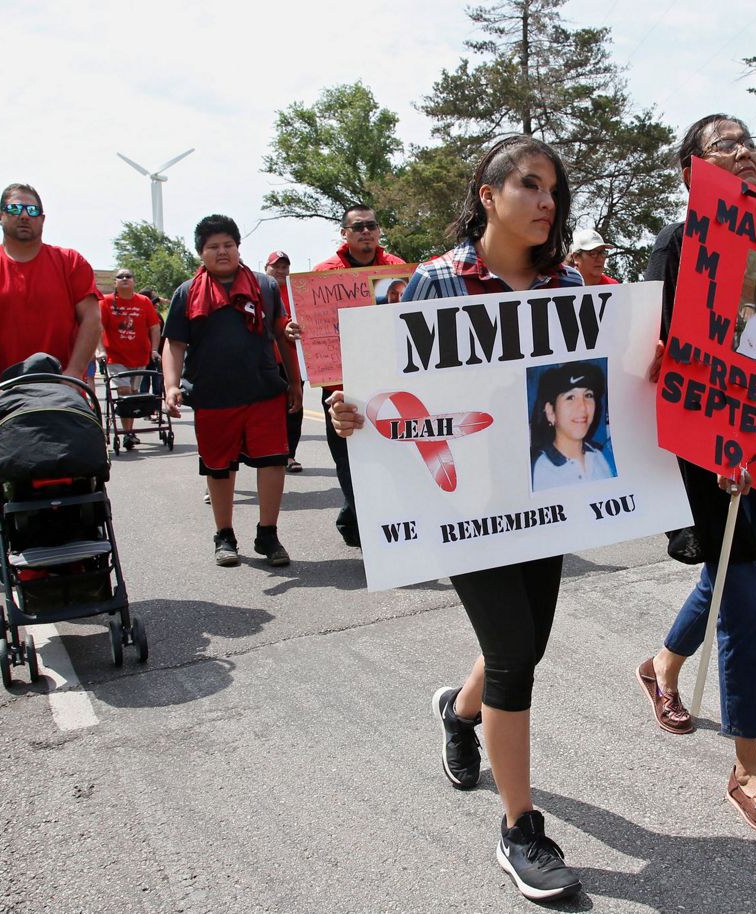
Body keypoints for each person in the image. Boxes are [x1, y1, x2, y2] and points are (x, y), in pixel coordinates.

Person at [329, 137, 584, 901]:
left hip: (541, 501)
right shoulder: (433, 283)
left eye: (554, 192)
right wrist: (350, 412)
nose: (546, 202)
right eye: (531, 186)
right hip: (464, 508)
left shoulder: (568, 281)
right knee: (513, 653)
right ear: (487, 192)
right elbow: (380, 392)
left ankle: (458, 711)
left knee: (526, 647)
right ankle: (519, 831)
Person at [636, 114, 756, 842]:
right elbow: (643, 332)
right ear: (691, 171)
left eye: (749, 142)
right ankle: (748, 766)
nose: (743, 152)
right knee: (743, 583)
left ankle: (659, 666)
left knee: (726, 565)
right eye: (723, 146)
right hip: (700, 440)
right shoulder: (678, 242)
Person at [162, 215, 303, 568]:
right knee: (219, 468)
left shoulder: (265, 287)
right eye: (213, 247)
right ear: (202, 253)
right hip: (213, 396)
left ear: (239, 248)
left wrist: (296, 382)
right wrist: (170, 385)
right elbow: (174, 344)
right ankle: (224, 535)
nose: (222, 252)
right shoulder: (186, 293)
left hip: (264, 390)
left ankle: (267, 534)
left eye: (228, 245)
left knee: (272, 462)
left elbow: (282, 333)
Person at [0, 183, 102, 398]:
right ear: (0, 216)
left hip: (64, 391)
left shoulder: (71, 262)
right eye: (14, 209)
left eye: (32, 210)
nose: (24, 216)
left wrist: (74, 371)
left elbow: (92, 319)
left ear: (43, 218)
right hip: (1, 393)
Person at [313, 205, 406, 547]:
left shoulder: (397, 270)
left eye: (371, 226)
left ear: (379, 231)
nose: (365, 232)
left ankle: (358, 519)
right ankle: (365, 523)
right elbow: (312, 323)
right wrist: (298, 328)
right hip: (342, 389)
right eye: (358, 227)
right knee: (350, 461)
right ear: (345, 234)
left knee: (392, 457)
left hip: (389, 382)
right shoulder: (324, 274)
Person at [529, 361, 616, 491]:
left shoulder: (603, 457)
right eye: (570, 397)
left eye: (588, 395)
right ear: (550, 411)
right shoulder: (536, 469)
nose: (583, 406)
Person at [99, 269, 161, 449]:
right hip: (116, 357)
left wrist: (154, 350)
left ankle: (129, 432)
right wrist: (100, 351)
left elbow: (155, 327)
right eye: (121, 277)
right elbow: (98, 327)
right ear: (115, 282)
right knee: (125, 393)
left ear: (134, 281)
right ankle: (127, 434)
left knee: (133, 395)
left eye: (128, 277)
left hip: (139, 356)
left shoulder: (144, 302)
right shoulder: (106, 302)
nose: (125, 279)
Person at [264, 251, 305, 473]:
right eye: (276, 267)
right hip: (267, 363)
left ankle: (289, 455)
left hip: (294, 362)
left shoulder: (297, 291)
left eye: (284, 267)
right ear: (266, 269)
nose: (280, 271)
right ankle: (268, 453)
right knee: (268, 411)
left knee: (293, 409)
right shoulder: (260, 291)